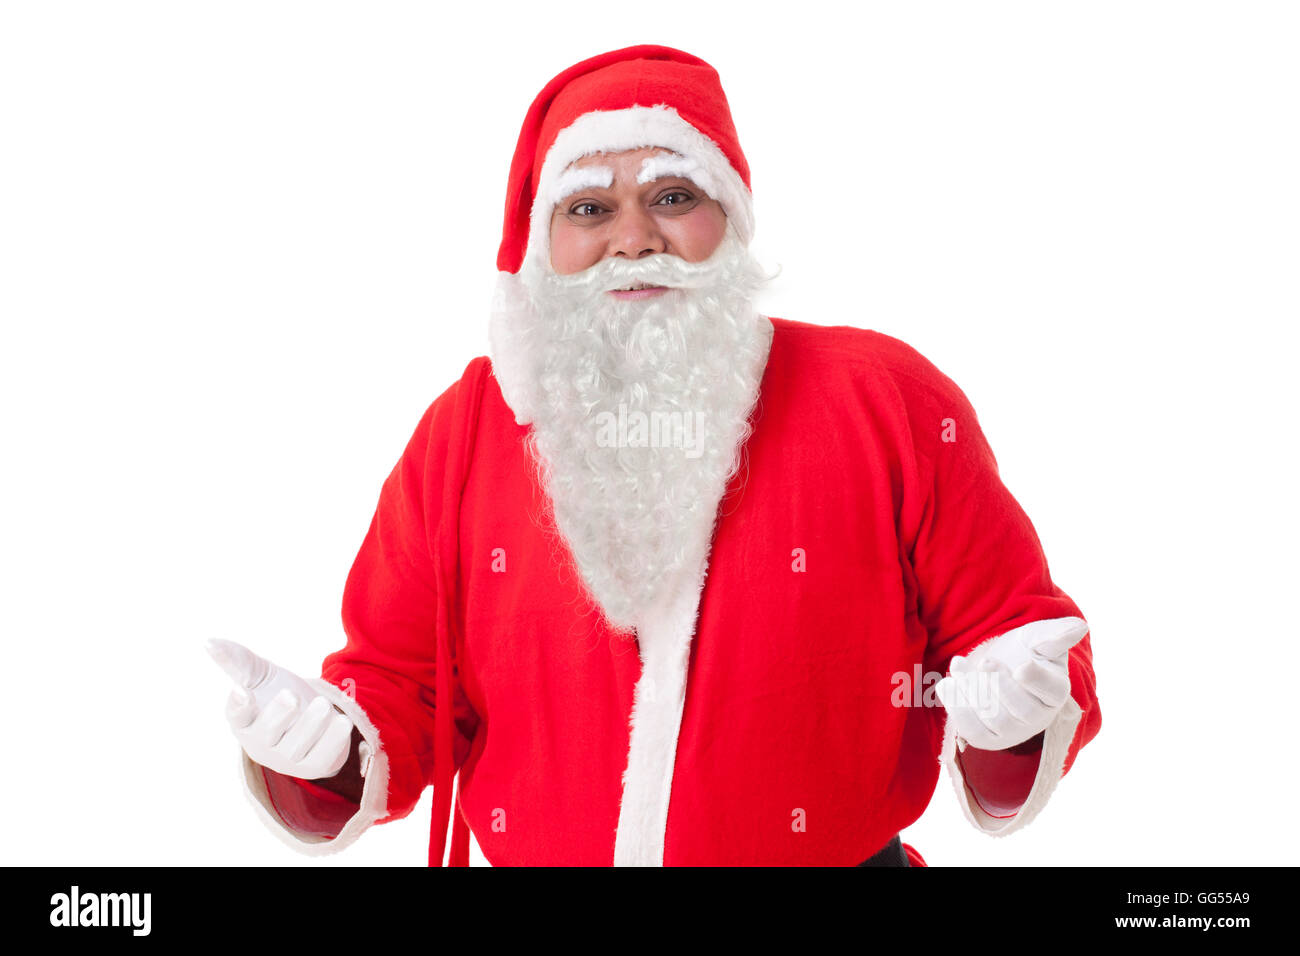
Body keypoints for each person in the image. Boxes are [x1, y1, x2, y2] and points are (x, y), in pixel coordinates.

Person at [210, 44, 1101, 867]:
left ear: (731, 221)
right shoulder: (465, 432)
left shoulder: (886, 400)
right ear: (542, 249)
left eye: (673, 197)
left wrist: (1012, 716)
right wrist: (327, 751)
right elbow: (403, 691)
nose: (633, 239)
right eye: (590, 208)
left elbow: (1014, 637)